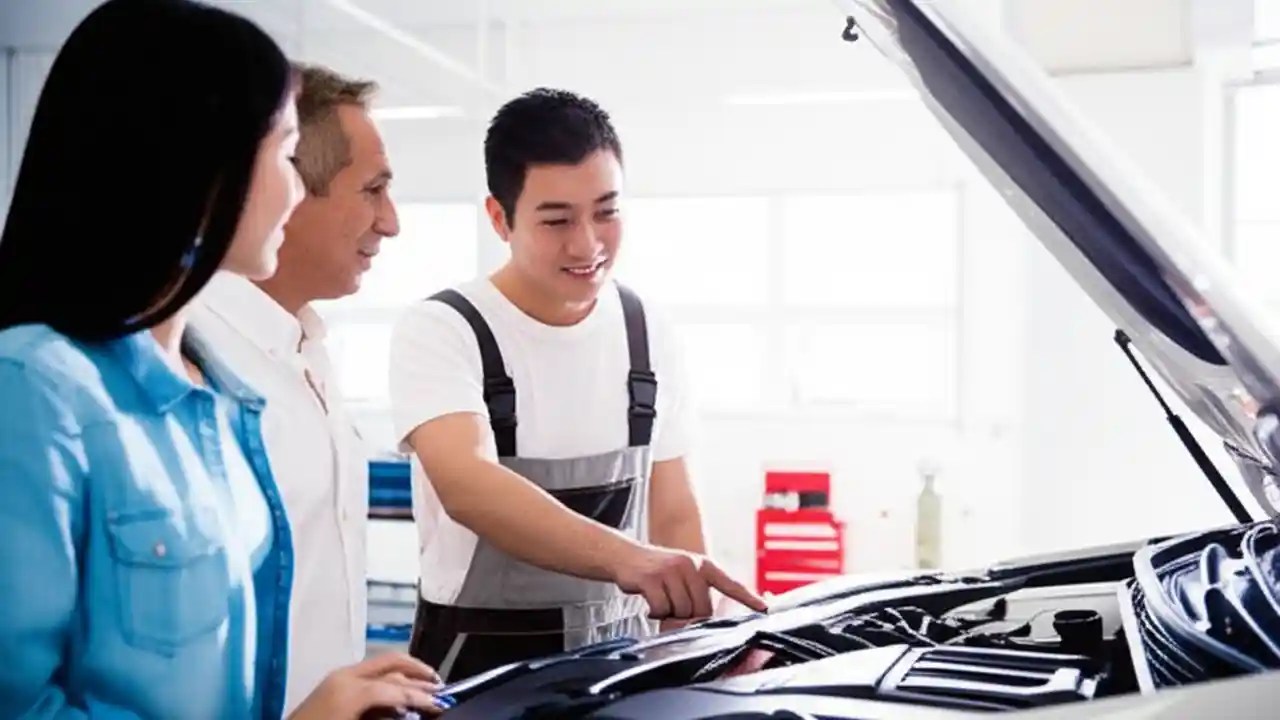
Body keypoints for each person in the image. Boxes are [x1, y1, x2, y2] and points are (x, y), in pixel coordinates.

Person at [0, 1, 442, 717]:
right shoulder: (35, 388)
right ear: (203, 164)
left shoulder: (220, 399)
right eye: (284, 152)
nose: (295, 188)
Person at [388, 87, 767, 682]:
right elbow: (468, 486)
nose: (587, 244)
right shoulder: (443, 329)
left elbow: (672, 511)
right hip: (476, 669)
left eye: (607, 212)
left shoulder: (646, 331)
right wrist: (632, 561)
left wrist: (710, 642)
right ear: (499, 217)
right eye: (557, 220)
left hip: (621, 661)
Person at [189, 62, 399, 713]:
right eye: (371, 191)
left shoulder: (307, 345)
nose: (390, 222)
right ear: (286, 187)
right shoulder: (193, 361)